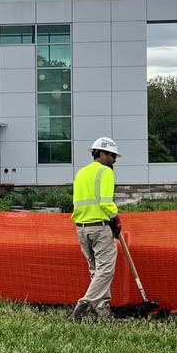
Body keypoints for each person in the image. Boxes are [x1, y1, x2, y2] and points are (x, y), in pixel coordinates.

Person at [70, 137, 123, 321]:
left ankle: (102, 309)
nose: (114, 160)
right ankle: (85, 304)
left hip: (81, 228)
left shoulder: (81, 173)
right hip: (99, 227)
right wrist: (115, 217)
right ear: (101, 153)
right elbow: (106, 202)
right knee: (106, 269)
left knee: (96, 270)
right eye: (112, 155)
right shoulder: (105, 172)